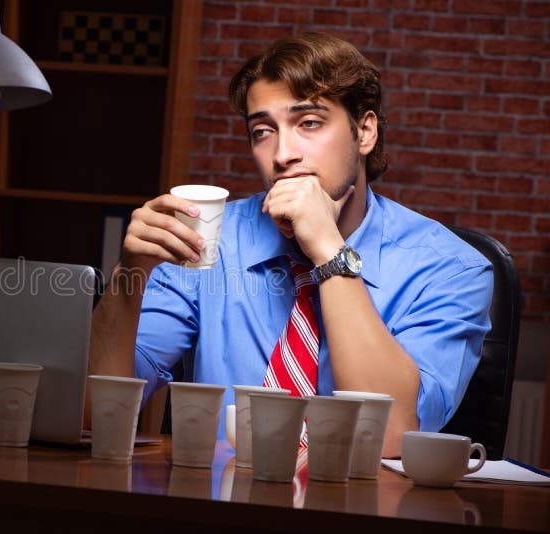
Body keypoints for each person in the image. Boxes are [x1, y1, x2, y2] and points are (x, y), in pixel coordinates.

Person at [87, 32, 492, 457]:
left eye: (309, 123)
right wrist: (129, 275)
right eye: (263, 131)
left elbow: (389, 436)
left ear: (365, 131)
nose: (282, 154)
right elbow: (95, 415)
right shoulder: (207, 240)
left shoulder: (453, 268)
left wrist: (329, 253)